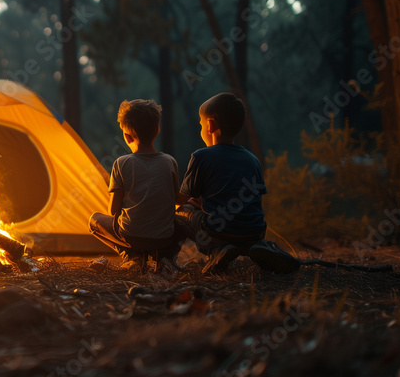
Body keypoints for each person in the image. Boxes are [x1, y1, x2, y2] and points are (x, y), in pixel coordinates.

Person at [176, 92, 299, 275]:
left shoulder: (201, 156)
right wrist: (207, 205)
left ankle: (214, 250)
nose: (200, 128)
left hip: (219, 231)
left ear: (209, 125)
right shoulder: (252, 159)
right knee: (239, 227)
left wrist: (164, 186)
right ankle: (259, 247)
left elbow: (181, 199)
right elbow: (252, 200)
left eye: (201, 124)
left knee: (179, 212)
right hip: (254, 230)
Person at [88, 99, 181, 272]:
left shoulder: (121, 163)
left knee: (94, 220)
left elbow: (113, 211)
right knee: (181, 221)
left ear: (127, 136)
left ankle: (131, 257)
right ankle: (164, 257)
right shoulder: (170, 162)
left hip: (132, 236)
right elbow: (176, 199)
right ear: (157, 130)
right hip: (164, 238)